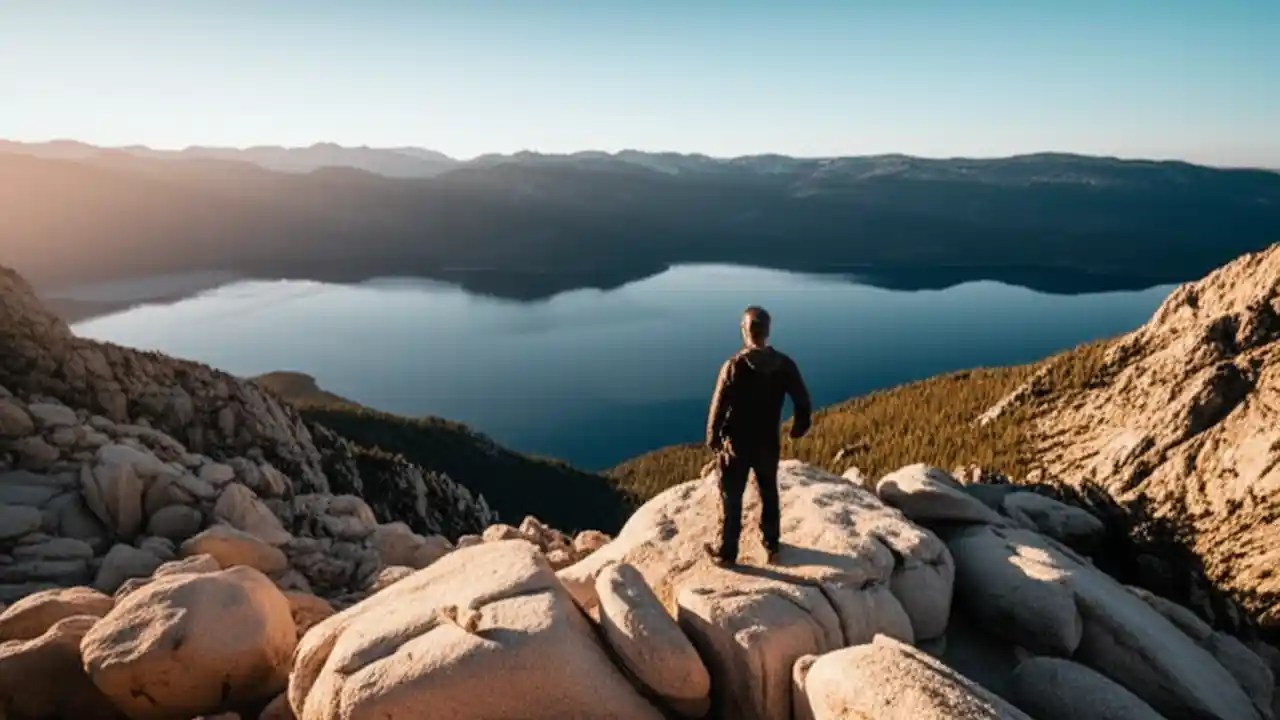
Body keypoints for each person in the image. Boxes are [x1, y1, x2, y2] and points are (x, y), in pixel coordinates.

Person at [704, 306, 812, 566]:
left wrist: (713, 438)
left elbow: (718, 407)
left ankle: (727, 550)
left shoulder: (733, 366)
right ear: (767, 331)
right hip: (767, 442)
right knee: (768, 491)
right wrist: (799, 427)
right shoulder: (784, 365)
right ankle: (771, 543)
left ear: (745, 330)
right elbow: (802, 400)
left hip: (737, 444)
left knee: (731, 496)